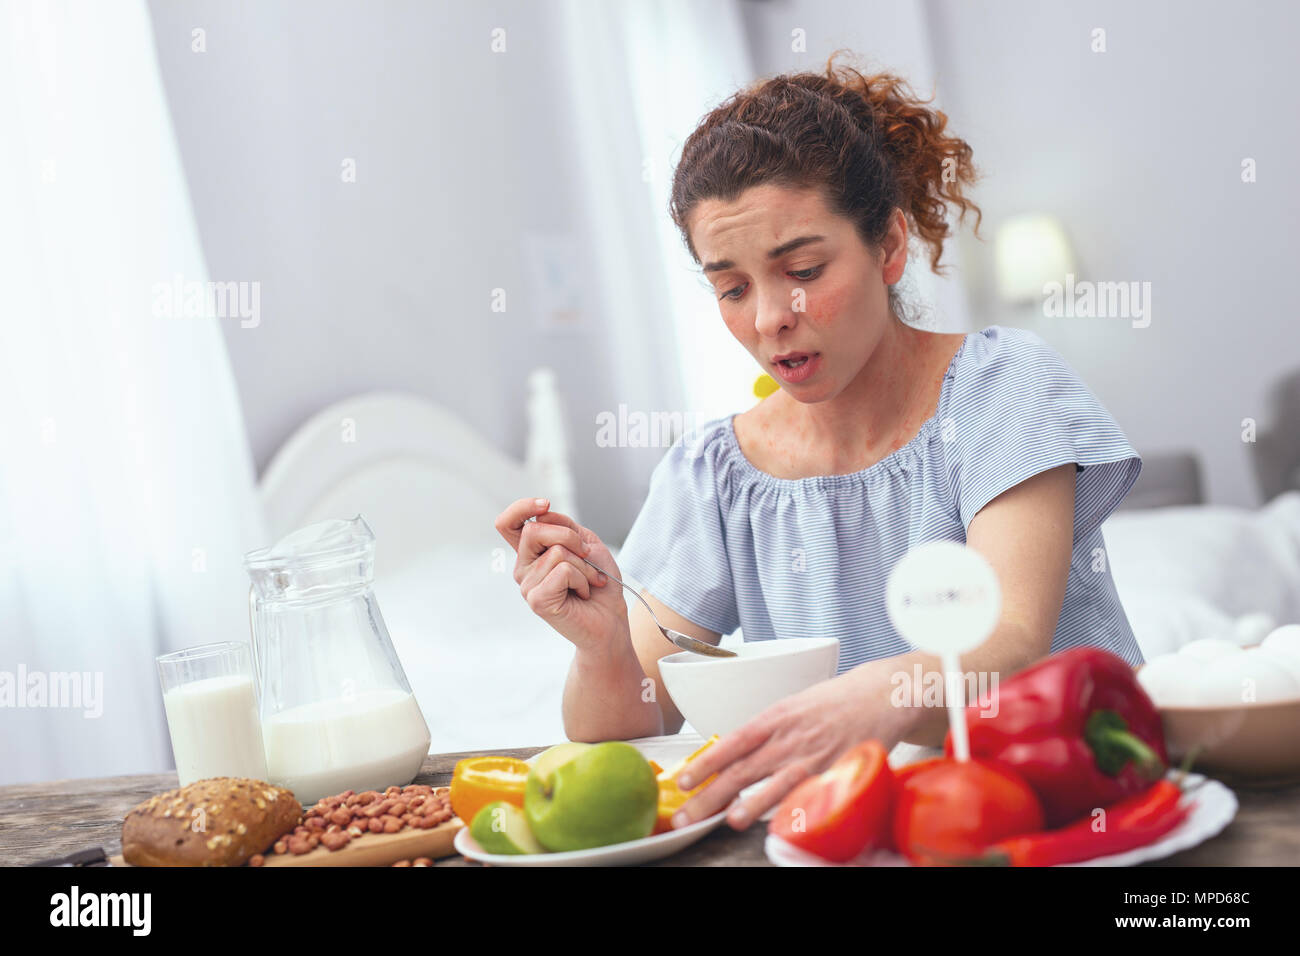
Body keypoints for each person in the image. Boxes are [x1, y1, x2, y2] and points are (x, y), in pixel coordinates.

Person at [494, 53, 1142, 835]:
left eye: (801, 268)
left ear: (890, 246)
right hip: (860, 833)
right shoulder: (715, 473)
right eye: (731, 288)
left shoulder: (1003, 388)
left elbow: (1011, 641)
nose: (769, 317)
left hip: (1077, 803)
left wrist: (875, 698)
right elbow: (632, 728)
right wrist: (601, 650)